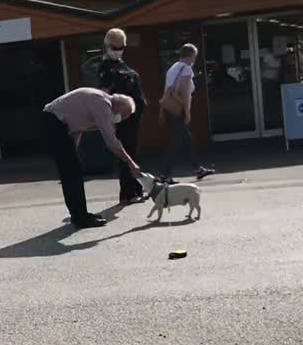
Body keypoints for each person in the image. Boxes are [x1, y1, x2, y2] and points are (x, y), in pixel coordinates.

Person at [41, 88, 143, 229]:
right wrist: (131, 163)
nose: (118, 120)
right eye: (122, 116)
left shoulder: (99, 100)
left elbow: (77, 128)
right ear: (119, 107)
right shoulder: (102, 103)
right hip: (54, 121)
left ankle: (79, 215)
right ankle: (80, 218)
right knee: (72, 173)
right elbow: (111, 142)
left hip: (55, 122)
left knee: (73, 170)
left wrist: (73, 153)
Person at [97, 28, 147, 205]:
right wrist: (111, 120)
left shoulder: (121, 63)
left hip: (134, 115)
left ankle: (136, 188)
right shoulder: (105, 67)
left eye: (121, 47)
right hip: (123, 116)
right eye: (115, 47)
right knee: (126, 152)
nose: (118, 50)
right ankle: (127, 193)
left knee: (133, 150)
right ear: (107, 46)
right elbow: (104, 94)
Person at [160, 43, 213, 183]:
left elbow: (168, 90)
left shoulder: (173, 68)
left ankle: (198, 169)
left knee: (186, 140)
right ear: (190, 56)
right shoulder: (186, 69)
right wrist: (187, 112)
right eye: (194, 56)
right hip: (178, 110)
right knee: (176, 142)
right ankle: (165, 175)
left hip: (170, 108)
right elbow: (185, 93)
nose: (195, 59)